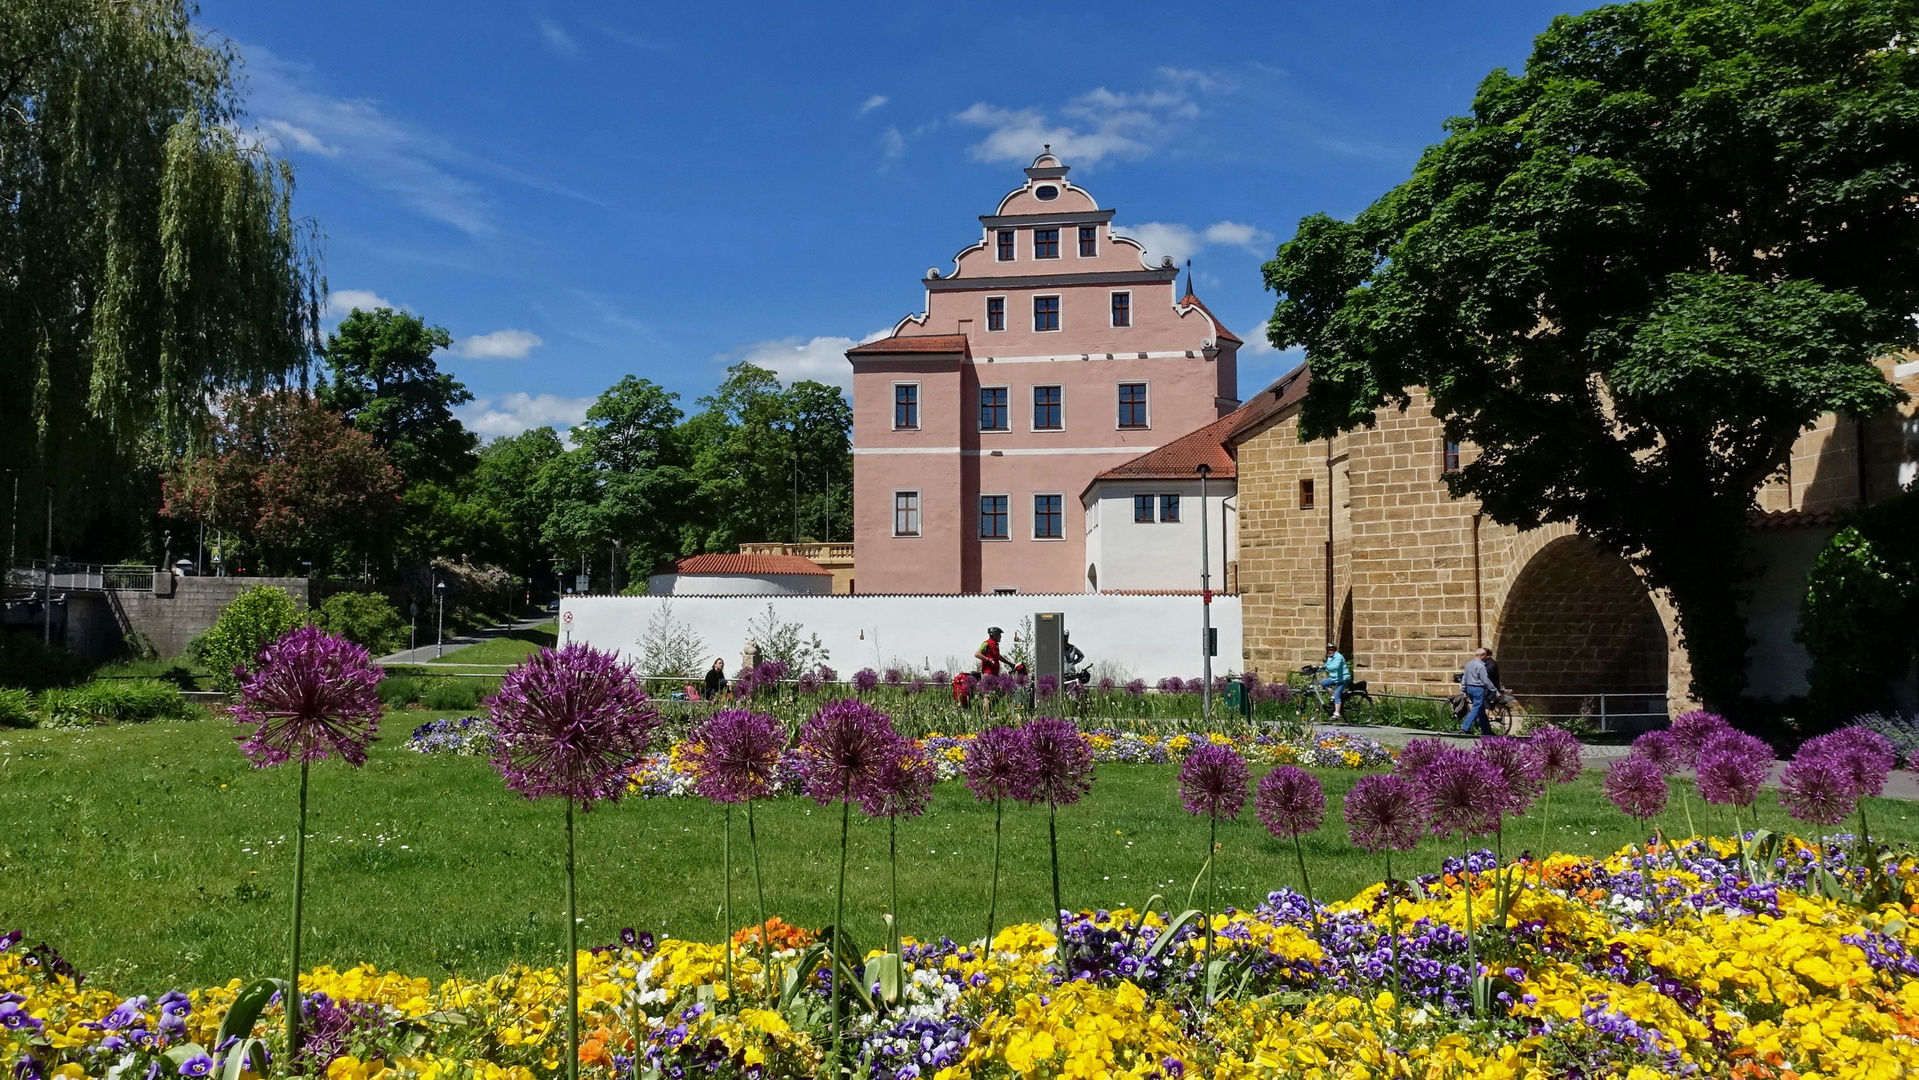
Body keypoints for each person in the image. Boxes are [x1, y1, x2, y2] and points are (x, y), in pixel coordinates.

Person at [1460, 647, 1495, 736]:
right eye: (1486, 655)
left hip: (1469, 688)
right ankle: (1465, 727)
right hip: (1478, 689)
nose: (1487, 657)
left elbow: (1464, 678)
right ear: (1482, 655)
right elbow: (1485, 680)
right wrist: (1494, 689)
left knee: (1481, 711)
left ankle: (1487, 731)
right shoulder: (1481, 666)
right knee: (1476, 707)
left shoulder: (1468, 664)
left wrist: (1463, 689)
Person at [1321, 643, 1352, 719]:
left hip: (1343, 679)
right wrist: (1315, 669)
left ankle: (1337, 713)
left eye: (1331, 650)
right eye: (1328, 650)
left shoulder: (1339, 657)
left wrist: (1324, 667)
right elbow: (1326, 667)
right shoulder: (1329, 658)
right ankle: (1333, 695)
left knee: (1337, 694)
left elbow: (1334, 667)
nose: (1329, 652)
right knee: (1323, 683)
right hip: (1335, 678)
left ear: (1334, 650)